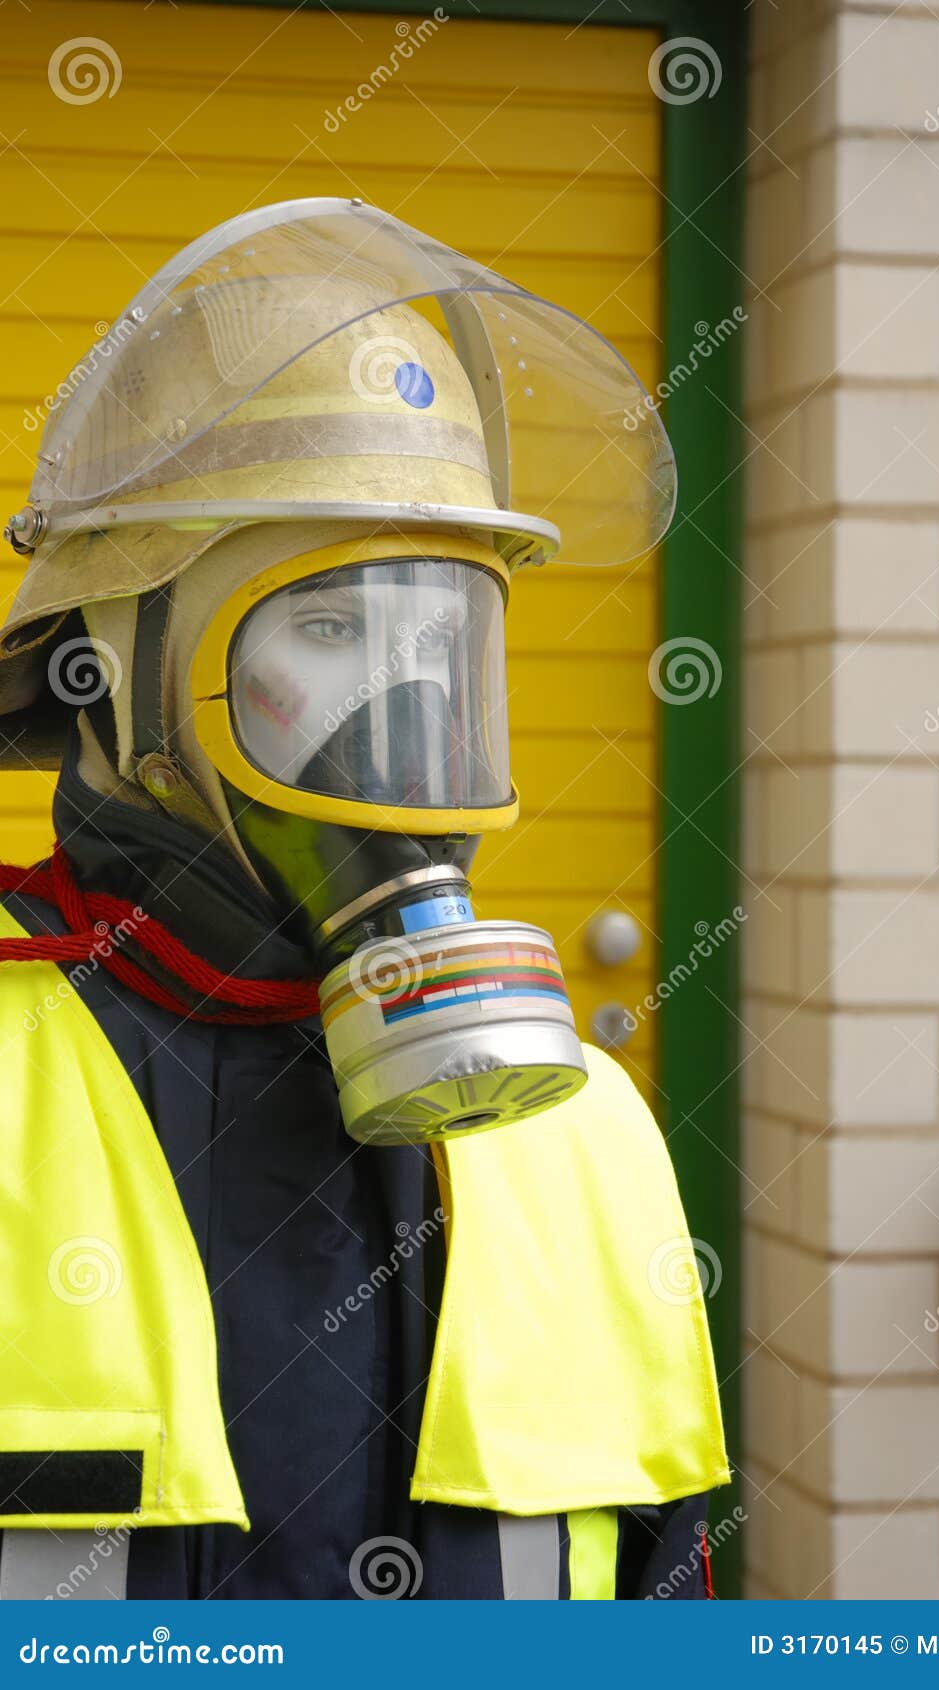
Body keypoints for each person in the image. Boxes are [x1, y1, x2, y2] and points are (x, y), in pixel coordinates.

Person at [0, 199, 729, 1601]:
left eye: (439, 638)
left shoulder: (590, 1129)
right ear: (115, 657)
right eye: (329, 627)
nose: (402, 710)